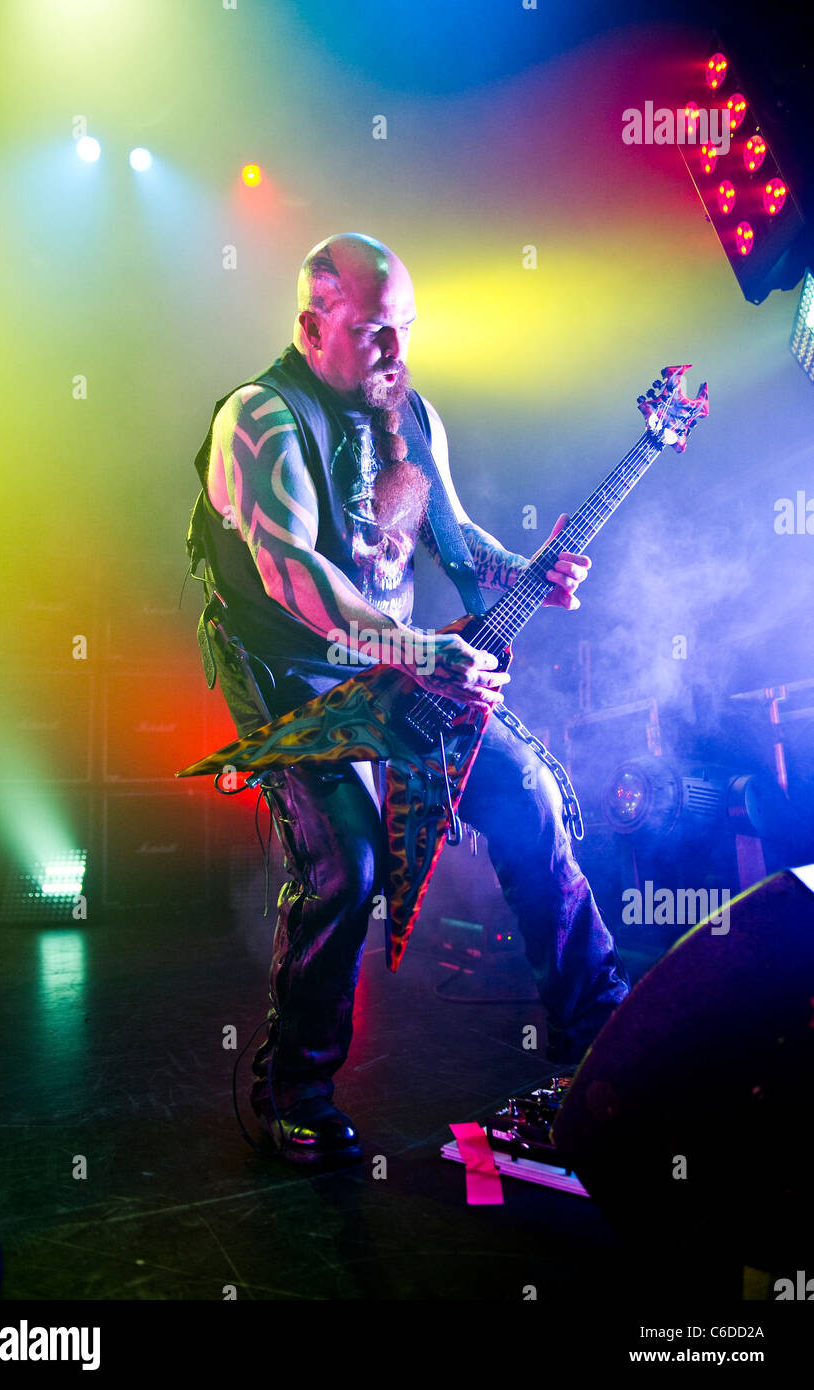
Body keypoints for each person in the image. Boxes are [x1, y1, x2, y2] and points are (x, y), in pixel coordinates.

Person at [187, 232, 630, 1167]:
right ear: (312, 327)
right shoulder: (260, 420)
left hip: (403, 662)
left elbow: (457, 543)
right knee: (346, 861)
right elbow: (290, 573)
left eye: (407, 332)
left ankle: (603, 1045)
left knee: (529, 801)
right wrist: (417, 648)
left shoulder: (412, 416)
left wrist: (525, 573)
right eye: (376, 334)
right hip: (290, 673)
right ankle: (290, 1089)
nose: (397, 354)